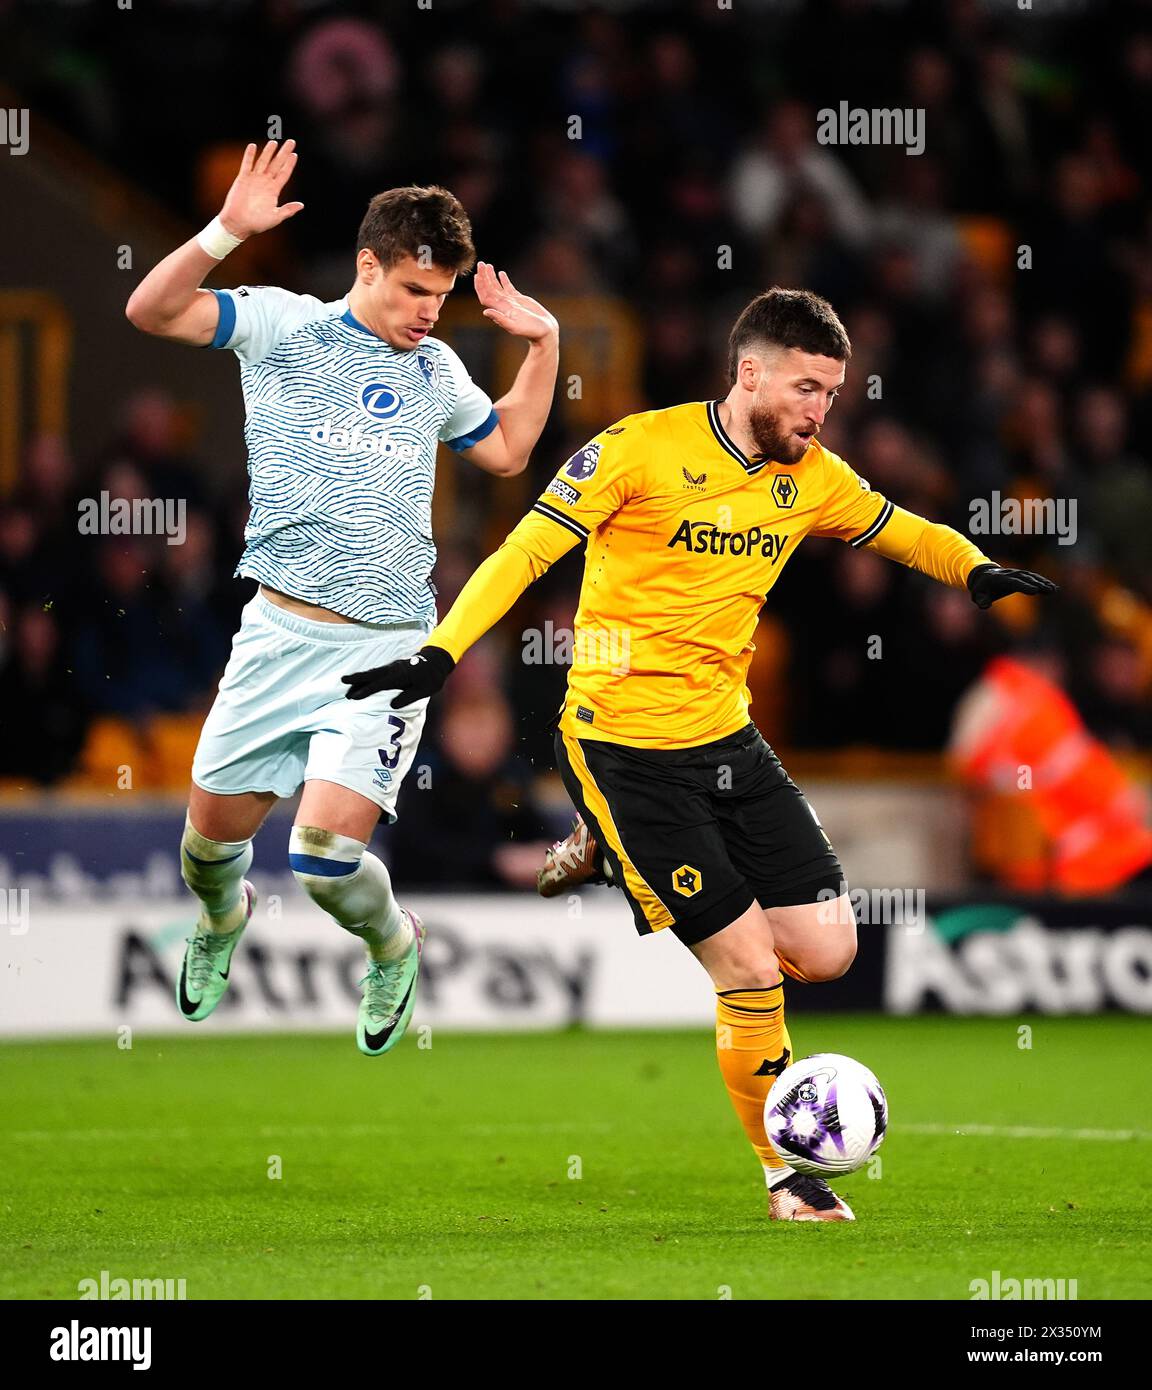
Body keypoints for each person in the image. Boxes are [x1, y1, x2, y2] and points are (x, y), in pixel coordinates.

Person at [341, 287, 1056, 1218]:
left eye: (831, 395)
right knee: (750, 970)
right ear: (749, 372)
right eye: (805, 388)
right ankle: (785, 1174)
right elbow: (523, 554)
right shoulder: (637, 450)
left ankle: (605, 854)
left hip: (727, 737)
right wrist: (441, 649)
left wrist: (973, 567)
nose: (817, 410)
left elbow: (896, 526)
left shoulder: (812, 478)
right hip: (620, 747)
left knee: (829, 950)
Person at [125, 140, 559, 1055]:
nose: (428, 316)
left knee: (322, 861)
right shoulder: (280, 325)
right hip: (278, 633)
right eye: (413, 291)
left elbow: (511, 450)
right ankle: (220, 918)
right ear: (368, 265)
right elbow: (149, 309)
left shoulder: (434, 370)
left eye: (441, 299)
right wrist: (223, 233)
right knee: (207, 852)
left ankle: (395, 946)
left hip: (386, 648)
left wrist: (545, 343)